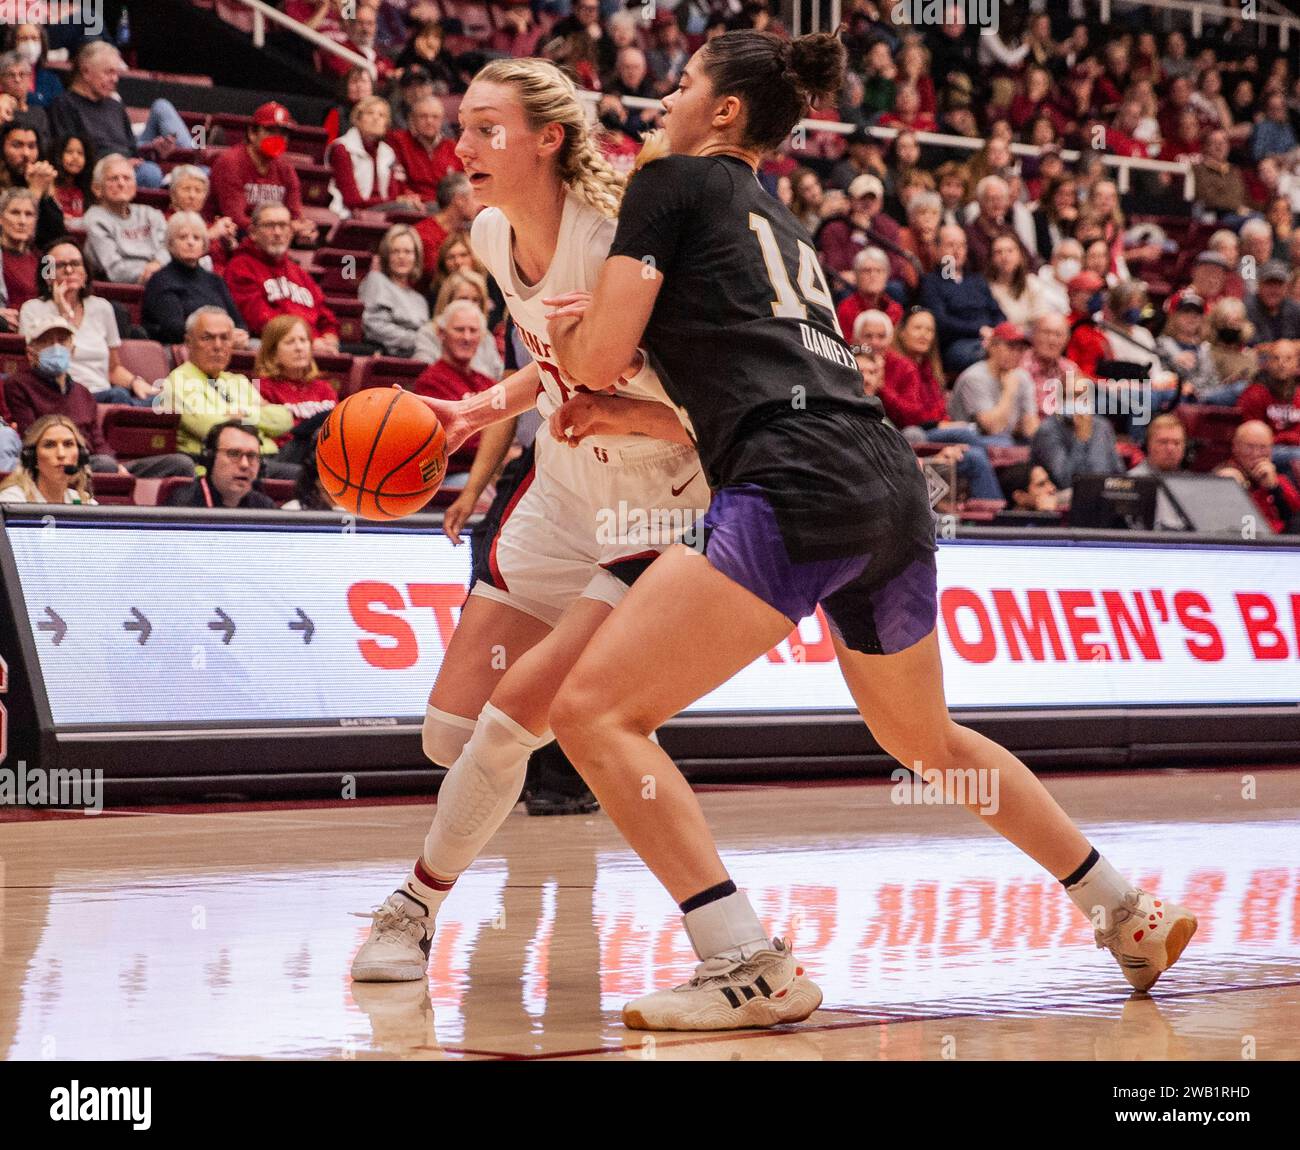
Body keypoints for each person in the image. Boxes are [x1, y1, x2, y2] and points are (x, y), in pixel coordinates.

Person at [518, 31, 1197, 1030]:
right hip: (882, 475)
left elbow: (605, 348)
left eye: (686, 81)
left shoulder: (669, 179)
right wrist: (624, 413)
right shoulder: (780, 224)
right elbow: (748, 395)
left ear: (726, 114)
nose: (668, 95)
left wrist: (562, 335)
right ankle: (1124, 911)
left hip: (796, 479)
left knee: (591, 713)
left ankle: (745, 964)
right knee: (921, 734)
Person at [349, 57, 711, 986]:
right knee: (448, 734)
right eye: (461, 127)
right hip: (558, 494)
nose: (459, 144)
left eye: (484, 128)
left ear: (548, 137)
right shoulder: (490, 232)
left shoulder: (619, 238)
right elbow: (553, 367)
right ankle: (607, 719)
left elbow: (704, 396)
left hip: (649, 501)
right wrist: (480, 408)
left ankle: (411, 913)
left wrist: (628, 413)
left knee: (509, 729)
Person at [4, 311, 193, 479]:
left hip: (99, 464)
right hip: (55, 466)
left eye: (62, 341)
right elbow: (30, 436)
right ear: (30, 353)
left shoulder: (82, 392)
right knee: (104, 465)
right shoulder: (18, 385)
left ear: (73, 349)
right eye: (46, 342)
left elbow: (98, 440)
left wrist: (119, 468)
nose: (55, 348)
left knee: (181, 464)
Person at [159, 307, 296, 476]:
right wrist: (258, 414)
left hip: (267, 458)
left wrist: (242, 414)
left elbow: (284, 419)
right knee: (304, 476)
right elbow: (210, 428)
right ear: (188, 342)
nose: (217, 346)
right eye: (207, 338)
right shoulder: (178, 381)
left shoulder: (238, 380)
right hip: (219, 467)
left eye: (224, 338)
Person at [19, 238, 157, 405]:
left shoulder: (102, 308)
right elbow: (35, 365)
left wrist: (136, 382)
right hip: (59, 395)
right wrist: (64, 313)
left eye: (76, 264)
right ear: (47, 275)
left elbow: (113, 369)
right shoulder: (32, 309)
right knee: (119, 397)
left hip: (103, 394)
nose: (69, 270)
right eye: (60, 265)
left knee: (161, 401)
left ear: (85, 273)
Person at [48, 42, 190, 190]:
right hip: (99, 171)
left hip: (128, 164)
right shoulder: (64, 104)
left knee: (199, 173)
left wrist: (154, 150)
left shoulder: (115, 105)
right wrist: (117, 165)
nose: (115, 79)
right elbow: (69, 154)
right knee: (150, 173)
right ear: (85, 72)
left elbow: (132, 150)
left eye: (116, 73)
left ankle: (191, 162)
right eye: (108, 72)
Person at [224, 202, 340, 354]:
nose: (277, 232)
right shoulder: (240, 267)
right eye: (270, 226)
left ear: (291, 232)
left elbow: (325, 316)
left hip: (311, 346)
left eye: (283, 225)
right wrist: (309, 342)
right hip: (272, 349)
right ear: (253, 232)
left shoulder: (298, 272)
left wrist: (330, 337)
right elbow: (260, 321)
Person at [208, 102, 318, 245]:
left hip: (271, 243)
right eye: (271, 131)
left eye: (283, 133)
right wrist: (289, 228)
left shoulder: (285, 168)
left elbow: (295, 215)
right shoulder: (230, 162)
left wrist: (304, 230)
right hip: (231, 242)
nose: (278, 138)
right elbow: (235, 219)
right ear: (252, 133)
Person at [142, 212, 249, 346]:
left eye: (196, 238)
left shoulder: (215, 281)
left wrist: (239, 335)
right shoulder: (161, 280)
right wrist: (224, 336)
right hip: (180, 350)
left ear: (204, 245)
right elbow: (174, 329)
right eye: (182, 237)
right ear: (170, 243)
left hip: (222, 345)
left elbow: (239, 323)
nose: (190, 242)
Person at [919, 224, 1004, 375]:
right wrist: (978, 330)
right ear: (937, 249)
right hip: (958, 344)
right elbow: (941, 322)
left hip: (991, 339)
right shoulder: (931, 282)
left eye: (961, 245)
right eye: (950, 245)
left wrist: (996, 332)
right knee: (991, 357)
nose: (957, 251)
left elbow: (998, 313)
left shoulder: (977, 280)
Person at [251, 315, 338, 453]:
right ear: (272, 352)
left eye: (303, 340)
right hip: (284, 455)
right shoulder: (258, 387)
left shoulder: (324, 388)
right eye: (289, 342)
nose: (299, 348)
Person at [327, 96, 422, 218]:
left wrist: (405, 199)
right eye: (370, 113)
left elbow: (393, 193)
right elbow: (352, 201)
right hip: (349, 212)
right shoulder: (342, 148)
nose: (376, 118)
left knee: (424, 209)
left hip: (382, 210)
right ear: (358, 119)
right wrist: (398, 201)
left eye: (382, 115)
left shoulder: (388, 152)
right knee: (406, 210)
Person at [82, 154, 169, 284]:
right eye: (113, 179)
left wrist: (158, 264)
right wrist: (152, 273)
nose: (121, 184)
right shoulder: (95, 218)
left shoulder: (151, 214)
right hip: (122, 289)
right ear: (97, 188)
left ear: (135, 186)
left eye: (127, 178)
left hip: (161, 277)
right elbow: (115, 270)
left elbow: (169, 247)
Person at [950, 322, 1039, 443]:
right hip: (971, 442)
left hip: (1006, 440)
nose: (1016, 354)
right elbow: (993, 428)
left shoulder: (1022, 376)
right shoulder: (974, 377)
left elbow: (1030, 427)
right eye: (1011, 347)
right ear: (992, 347)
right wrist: (1009, 391)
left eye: (1021, 349)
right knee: (1002, 441)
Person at [1032, 374, 1124, 490]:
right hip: (1066, 497)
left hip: (1105, 494)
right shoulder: (1048, 430)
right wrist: (1081, 440)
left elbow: (1119, 471)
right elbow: (1065, 481)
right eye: (1076, 395)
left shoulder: (1102, 425)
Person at [163, 420, 279, 510]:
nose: (245, 464)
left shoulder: (264, 507)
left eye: (252, 456)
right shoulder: (183, 505)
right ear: (210, 458)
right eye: (233, 454)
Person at [413, 268, 503, 378]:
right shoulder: (429, 333)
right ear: (448, 301)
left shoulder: (486, 337)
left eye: (475, 300)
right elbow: (425, 373)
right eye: (463, 299)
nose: (470, 305)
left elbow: (498, 378)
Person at [1215, 420, 1300, 534]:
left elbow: (1294, 517)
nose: (1256, 454)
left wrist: (1275, 489)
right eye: (1249, 447)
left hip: (1275, 545)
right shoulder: (1224, 476)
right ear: (1235, 447)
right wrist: (1236, 491)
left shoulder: (1279, 480)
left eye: (1263, 448)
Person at [359, 223, 429, 356]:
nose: (401, 257)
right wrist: (417, 340)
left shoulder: (420, 299)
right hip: (387, 356)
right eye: (395, 251)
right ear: (387, 256)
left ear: (416, 257)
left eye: (407, 252)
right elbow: (373, 326)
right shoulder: (376, 281)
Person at [0, 413, 96, 504]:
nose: (61, 454)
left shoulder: (86, 502)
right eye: (49, 445)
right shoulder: (12, 500)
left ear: (81, 456)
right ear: (32, 457)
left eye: (68, 444)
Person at [0, 119, 65, 247]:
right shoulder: (36, 184)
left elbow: (56, 236)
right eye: (17, 145)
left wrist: (47, 192)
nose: (26, 154)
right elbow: (14, 236)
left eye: (31, 146)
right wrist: (35, 192)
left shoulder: (39, 178)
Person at [385, 95, 462, 203]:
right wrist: (407, 194)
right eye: (423, 116)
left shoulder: (452, 147)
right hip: (414, 205)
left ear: (442, 120)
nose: (429, 121)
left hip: (447, 207)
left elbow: (463, 185)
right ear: (412, 118)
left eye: (435, 117)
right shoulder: (398, 141)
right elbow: (395, 180)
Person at [1129, 413, 1191, 530]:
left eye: (1177, 443)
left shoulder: (1192, 483)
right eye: (1163, 442)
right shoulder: (1132, 481)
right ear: (1148, 445)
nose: (1170, 449)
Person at [414, 170, 479, 277]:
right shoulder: (423, 235)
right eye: (475, 197)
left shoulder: (465, 234)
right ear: (459, 200)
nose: (479, 204)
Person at [836, 246, 900, 334]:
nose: (873, 275)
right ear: (856, 276)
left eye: (878, 271)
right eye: (867, 271)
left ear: (886, 276)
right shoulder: (845, 309)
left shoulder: (895, 310)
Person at [0, 187, 39, 330]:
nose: (22, 221)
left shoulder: (45, 259)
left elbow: (51, 296)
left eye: (29, 214)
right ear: (1, 218)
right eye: (15, 213)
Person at [51, 132, 92, 229]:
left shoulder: (88, 188)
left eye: (80, 153)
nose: (75, 157)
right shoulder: (50, 185)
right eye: (69, 152)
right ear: (58, 155)